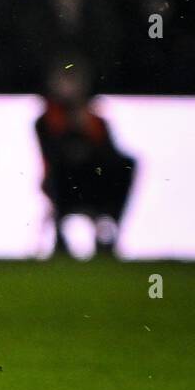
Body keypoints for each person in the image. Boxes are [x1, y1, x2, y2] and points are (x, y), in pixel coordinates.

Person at [35, 64, 136, 257]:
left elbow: (110, 155)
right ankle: (60, 239)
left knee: (126, 165)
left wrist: (87, 130)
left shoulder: (96, 121)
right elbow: (52, 153)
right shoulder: (46, 120)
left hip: (94, 183)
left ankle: (109, 229)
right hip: (62, 184)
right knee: (62, 172)